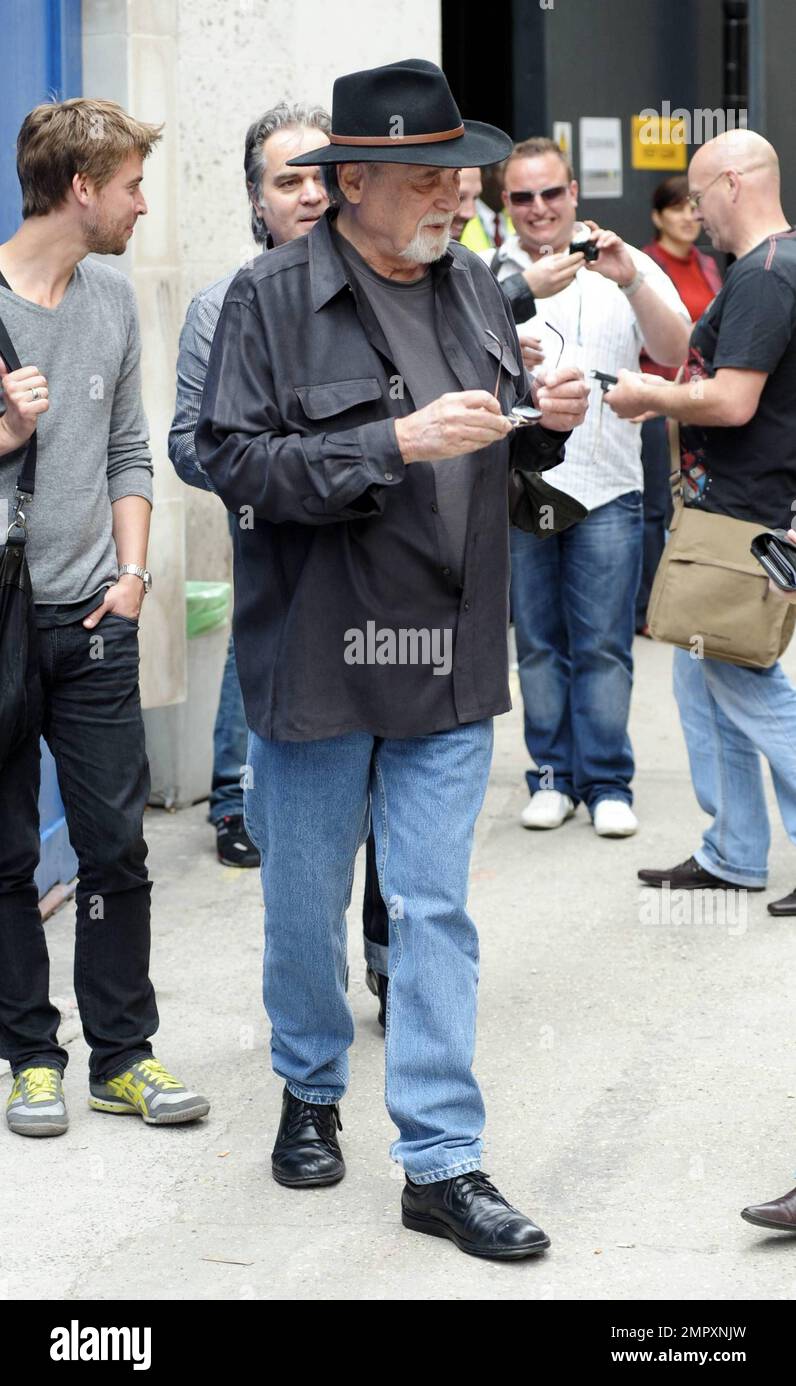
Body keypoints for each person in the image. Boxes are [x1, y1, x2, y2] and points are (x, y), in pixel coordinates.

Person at [196, 58, 589, 1260]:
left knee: (433, 909)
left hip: (449, 652)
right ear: (352, 182)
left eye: (459, 175)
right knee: (305, 903)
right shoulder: (267, 297)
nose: (456, 194)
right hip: (320, 652)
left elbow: (499, 443)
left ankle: (440, 1159)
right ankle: (311, 1086)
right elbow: (232, 462)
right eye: (428, 177)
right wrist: (392, 441)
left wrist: (544, 424)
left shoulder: (474, 286)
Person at [0, 99, 209, 1138]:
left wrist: (132, 577)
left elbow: (131, 445)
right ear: (81, 189)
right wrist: (6, 436)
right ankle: (30, 1057)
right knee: (4, 856)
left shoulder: (113, 298)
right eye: (131, 185)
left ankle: (121, 1056)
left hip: (93, 620)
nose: (141, 205)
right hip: (2, 625)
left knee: (115, 848)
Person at [604, 130, 796, 922]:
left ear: (732, 184)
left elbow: (731, 400)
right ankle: (733, 852)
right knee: (702, 680)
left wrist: (647, 398)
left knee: (749, 687)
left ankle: (735, 851)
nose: (694, 211)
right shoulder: (765, 269)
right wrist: (633, 283)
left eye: (697, 193)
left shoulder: (765, 275)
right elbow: (712, 366)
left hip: (743, 519)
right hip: (736, 513)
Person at [487, 137, 691, 837]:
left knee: (603, 644)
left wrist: (631, 279)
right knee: (538, 645)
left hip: (608, 489)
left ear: (574, 193)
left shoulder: (621, 261)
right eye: (523, 196)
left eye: (552, 192)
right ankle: (551, 777)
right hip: (522, 488)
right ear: (505, 204)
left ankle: (606, 781)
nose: (539, 208)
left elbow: (674, 351)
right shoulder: (488, 276)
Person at [169, 101, 330, 869]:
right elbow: (186, 444)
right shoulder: (219, 308)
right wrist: (284, 477)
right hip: (273, 540)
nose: (312, 194)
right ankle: (236, 798)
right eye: (288, 181)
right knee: (258, 654)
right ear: (256, 200)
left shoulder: (397, 291)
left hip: (381, 555)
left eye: (323, 175)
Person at [635, 175, 723, 635]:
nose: (689, 216)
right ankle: (648, 607)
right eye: (677, 208)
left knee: (695, 503)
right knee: (655, 505)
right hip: (657, 399)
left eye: (693, 206)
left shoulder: (707, 263)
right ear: (657, 217)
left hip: (699, 400)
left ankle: (686, 599)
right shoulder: (646, 265)